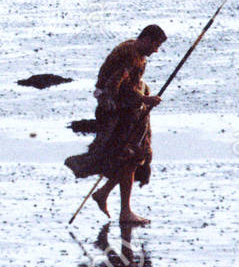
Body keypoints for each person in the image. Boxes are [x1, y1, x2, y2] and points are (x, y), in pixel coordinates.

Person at [65, 25, 167, 226]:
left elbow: (132, 84)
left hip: (125, 110)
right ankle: (123, 210)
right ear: (146, 39)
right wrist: (145, 100)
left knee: (132, 156)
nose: (156, 50)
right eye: (155, 45)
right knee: (128, 155)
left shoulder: (134, 51)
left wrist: (143, 95)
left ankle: (105, 195)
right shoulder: (129, 55)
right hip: (115, 113)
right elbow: (115, 88)